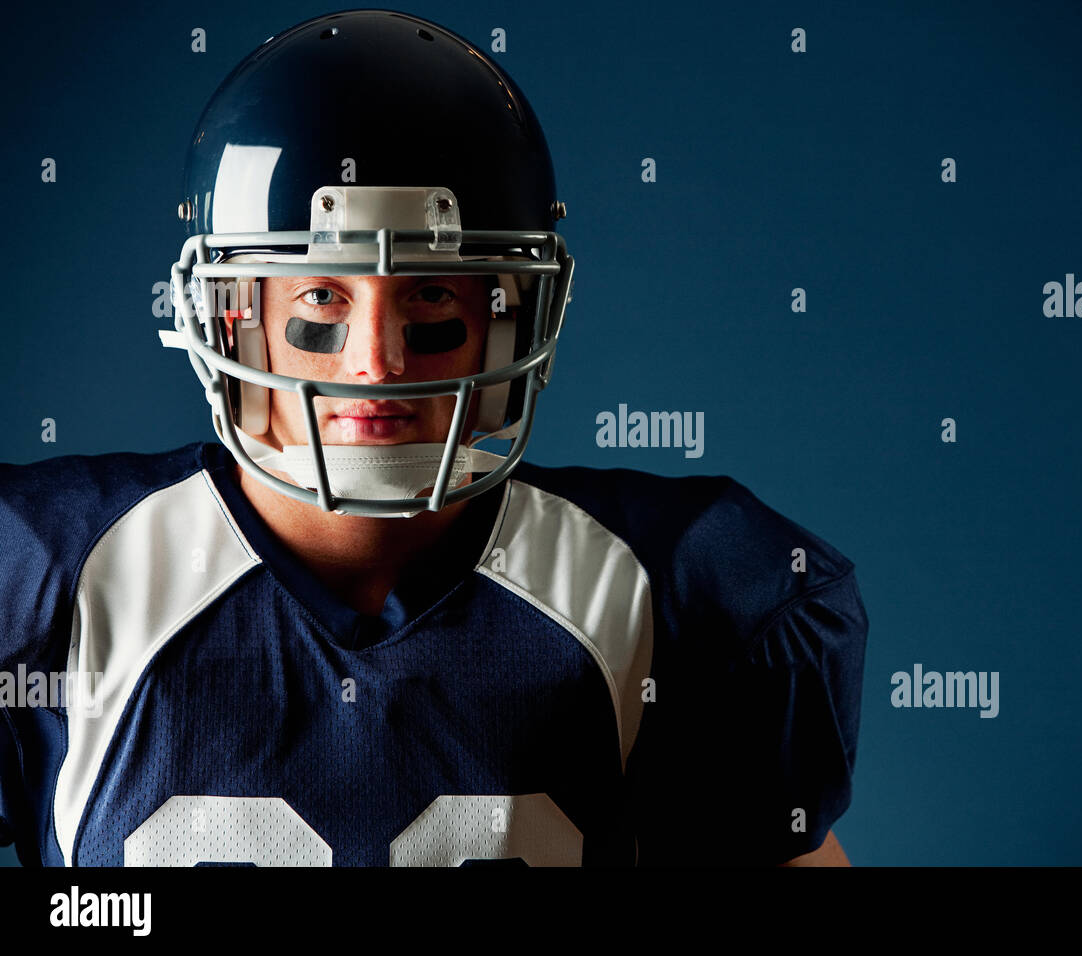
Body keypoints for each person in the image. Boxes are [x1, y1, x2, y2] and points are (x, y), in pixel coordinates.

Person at [0, 9, 867, 867]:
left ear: (515, 318)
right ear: (231, 319)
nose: (376, 364)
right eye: (319, 300)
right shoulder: (45, 576)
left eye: (433, 301)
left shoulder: (676, 585)